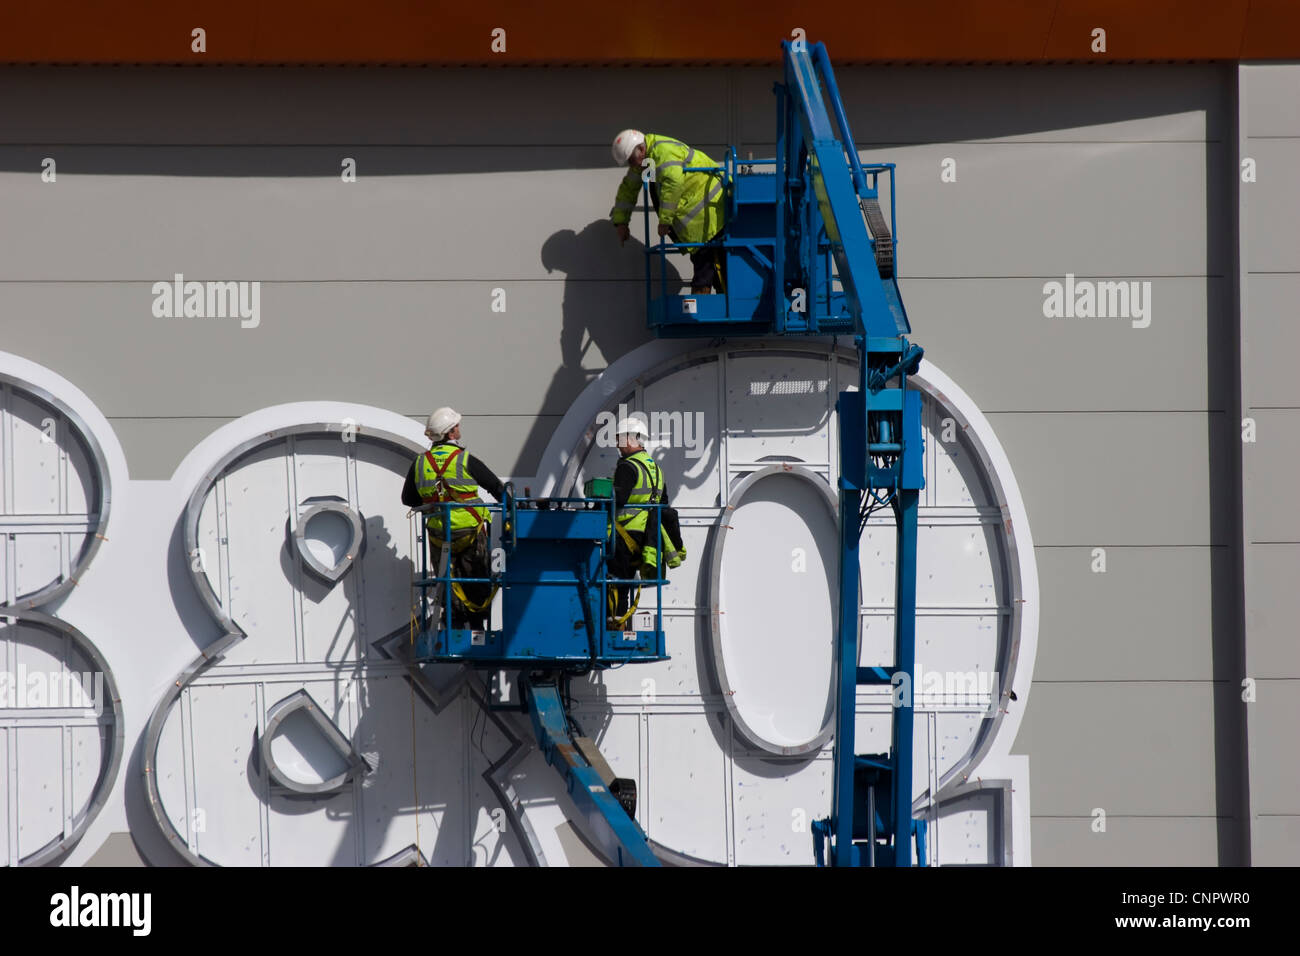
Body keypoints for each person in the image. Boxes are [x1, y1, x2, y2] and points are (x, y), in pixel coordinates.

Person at [400, 407, 504, 630]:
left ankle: (455, 626)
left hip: (439, 534)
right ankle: (477, 630)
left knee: (447, 582)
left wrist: (434, 499)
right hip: (470, 532)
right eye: (456, 426)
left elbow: (408, 498)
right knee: (475, 580)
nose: (459, 429)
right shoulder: (465, 460)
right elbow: (496, 487)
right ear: (449, 433)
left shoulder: (420, 463)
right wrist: (512, 506)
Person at [609, 129, 726, 294]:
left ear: (641, 150)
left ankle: (702, 306)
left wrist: (665, 221)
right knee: (708, 264)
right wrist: (621, 222)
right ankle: (706, 305)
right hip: (700, 221)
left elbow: (673, 184)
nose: (632, 166)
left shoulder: (663, 152)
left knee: (711, 264)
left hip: (712, 215)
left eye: (631, 161)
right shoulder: (646, 160)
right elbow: (629, 189)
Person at [606, 416, 686, 627]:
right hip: (646, 538)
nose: (617, 444)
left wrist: (601, 499)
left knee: (615, 582)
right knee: (623, 582)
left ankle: (613, 625)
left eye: (619, 439)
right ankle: (619, 623)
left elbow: (618, 500)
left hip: (625, 534)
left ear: (632, 439)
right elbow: (664, 503)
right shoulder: (655, 469)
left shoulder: (628, 467)